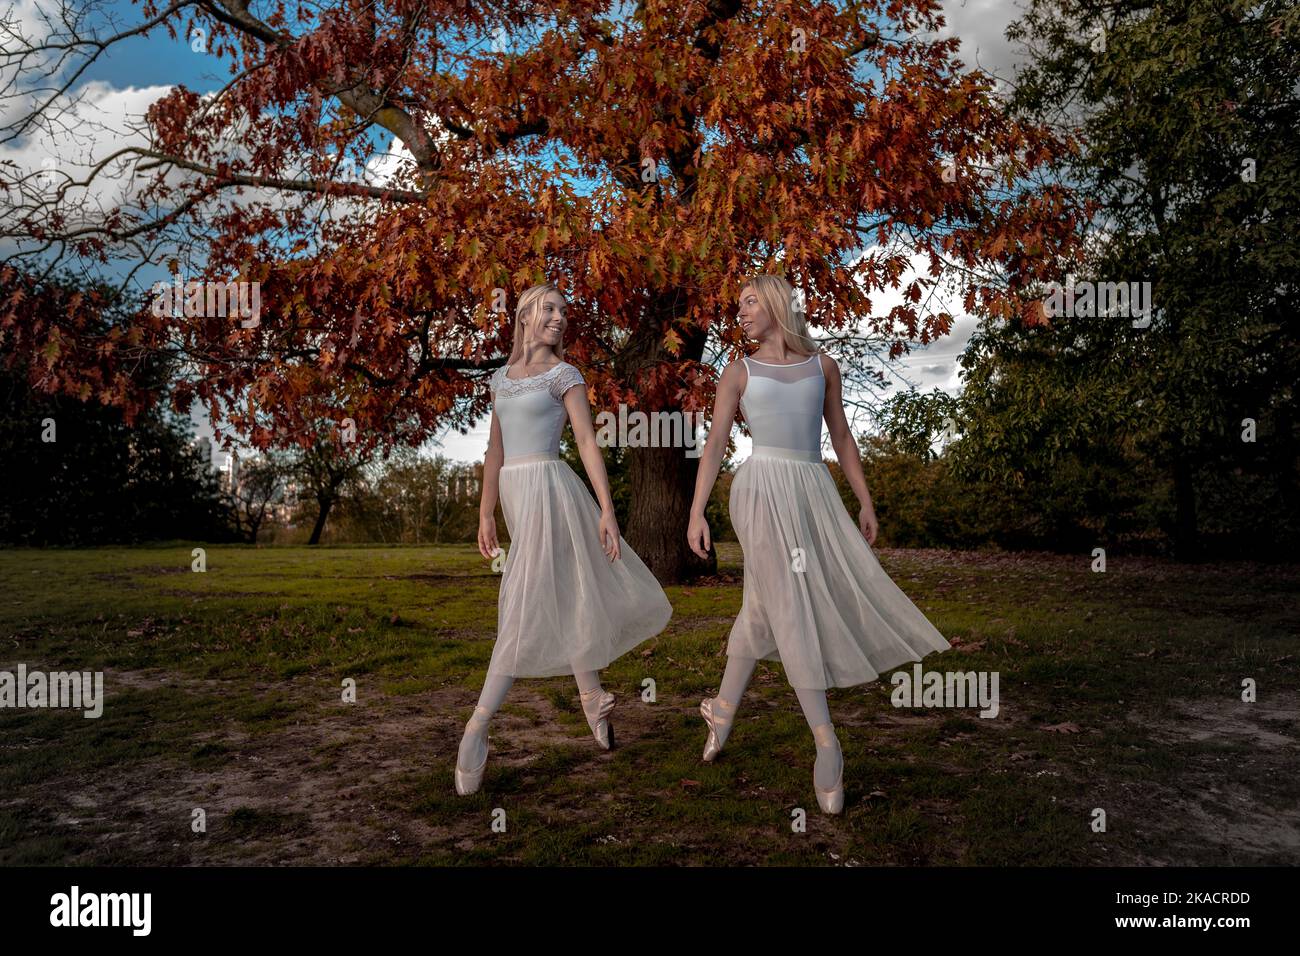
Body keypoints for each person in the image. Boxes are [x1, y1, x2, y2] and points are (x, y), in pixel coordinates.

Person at [686, 274, 951, 813]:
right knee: (791, 604)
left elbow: (842, 436)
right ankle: (826, 741)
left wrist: (865, 500)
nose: (740, 311)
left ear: (777, 305)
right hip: (759, 490)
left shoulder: (822, 366)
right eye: (738, 304)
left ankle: (721, 707)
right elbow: (714, 444)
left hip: (811, 489)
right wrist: (696, 511)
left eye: (750, 301)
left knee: (764, 609)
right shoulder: (738, 371)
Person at [455, 282, 672, 795]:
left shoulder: (565, 375)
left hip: (554, 493)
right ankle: (592, 695)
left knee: (523, 605)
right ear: (526, 315)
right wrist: (485, 513)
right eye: (549, 309)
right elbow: (494, 451)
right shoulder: (500, 380)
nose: (558, 318)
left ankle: (477, 728)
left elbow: (585, 440)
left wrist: (608, 509)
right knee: (563, 595)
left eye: (563, 312)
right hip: (515, 495)